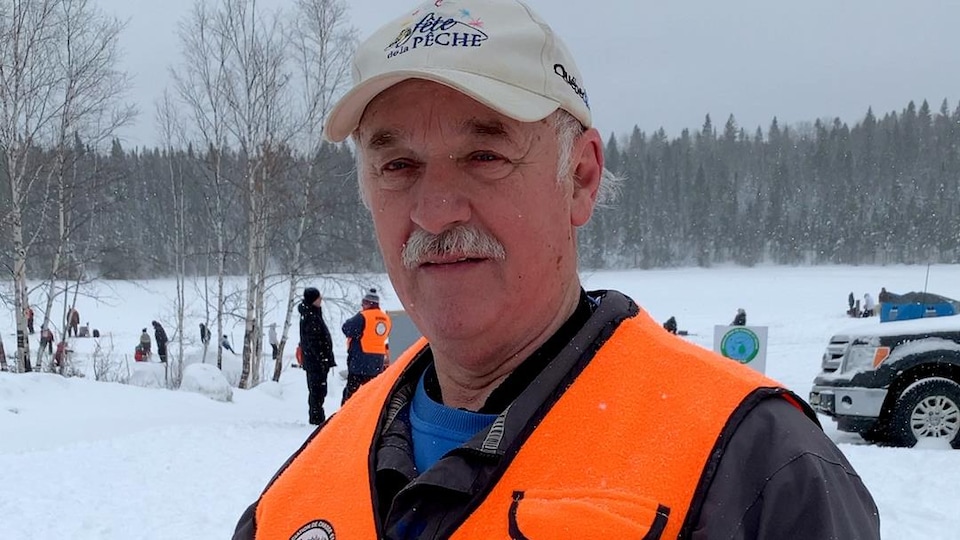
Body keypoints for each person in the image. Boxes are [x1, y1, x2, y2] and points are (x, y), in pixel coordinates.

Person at [233, 2, 880, 539]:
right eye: (397, 166)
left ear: (581, 177)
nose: (433, 212)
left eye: (484, 154)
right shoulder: (302, 494)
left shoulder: (752, 470)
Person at [341, 288, 393, 404]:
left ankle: (347, 416)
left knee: (351, 394)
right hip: (377, 363)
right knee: (371, 395)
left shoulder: (363, 316)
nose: (362, 305)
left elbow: (346, 328)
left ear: (369, 303)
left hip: (359, 362)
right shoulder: (386, 319)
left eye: (364, 303)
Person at [297, 287, 335, 425]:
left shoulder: (313, 314)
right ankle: (316, 418)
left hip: (317, 361)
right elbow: (314, 342)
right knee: (317, 390)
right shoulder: (311, 317)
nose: (321, 300)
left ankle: (317, 416)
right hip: (316, 362)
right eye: (318, 298)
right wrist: (322, 358)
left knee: (318, 390)